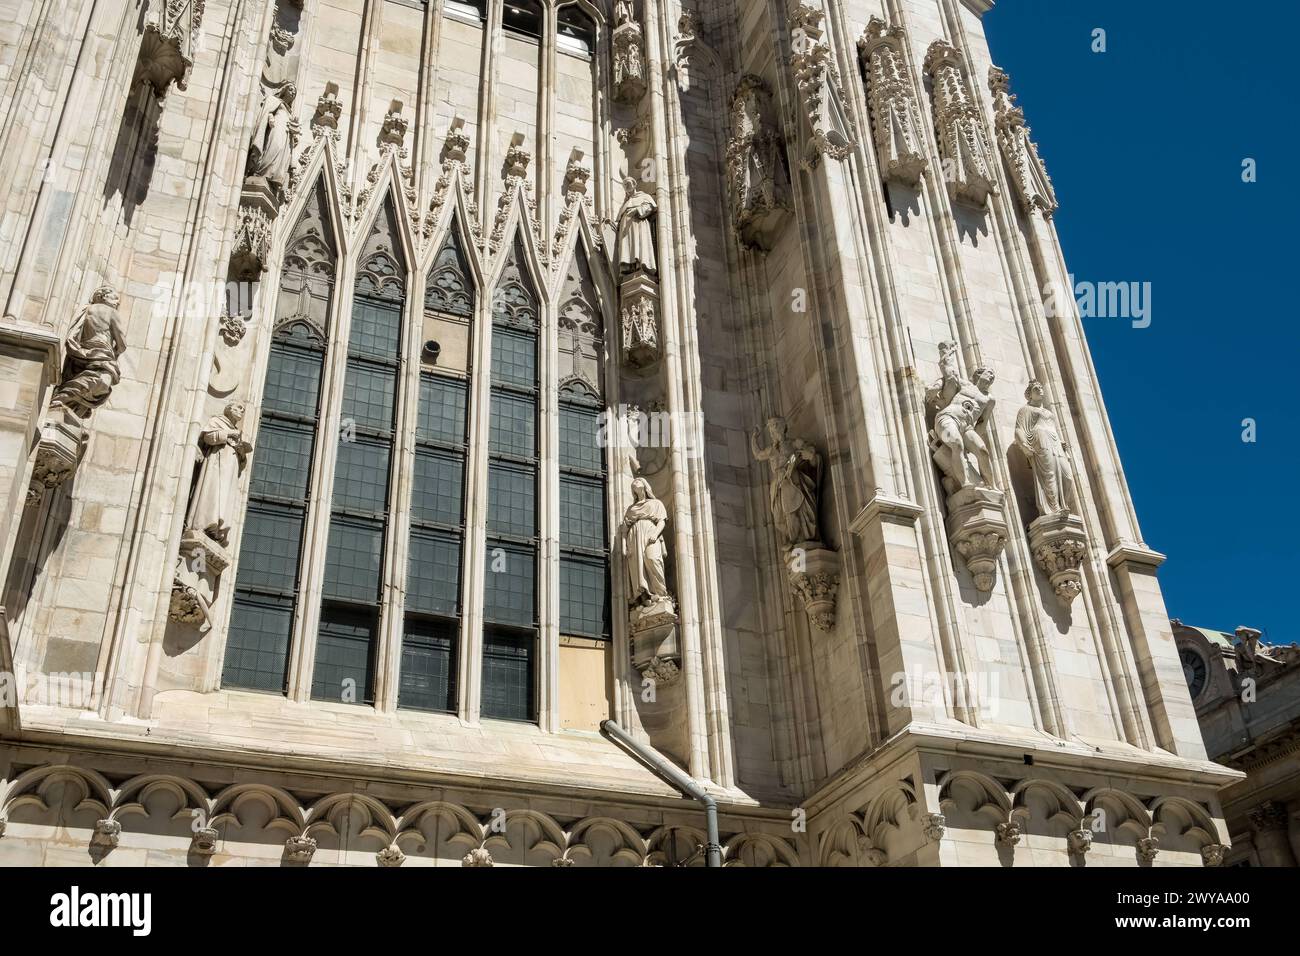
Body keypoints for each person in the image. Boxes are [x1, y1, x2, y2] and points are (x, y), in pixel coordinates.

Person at [929, 342, 995, 493]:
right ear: (979, 374)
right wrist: (947, 352)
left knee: (983, 451)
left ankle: (991, 486)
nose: (991, 376)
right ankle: (964, 483)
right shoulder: (965, 385)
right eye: (989, 373)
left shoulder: (990, 400)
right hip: (947, 419)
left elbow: (982, 423)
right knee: (957, 444)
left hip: (967, 427)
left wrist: (973, 443)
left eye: (993, 376)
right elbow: (950, 374)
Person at [185, 401, 253, 547]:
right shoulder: (217, 421)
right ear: (229, 409)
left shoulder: (236, 431)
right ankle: (205, 524)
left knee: (225, 498)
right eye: (239, 408)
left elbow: (242, 463)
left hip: (230, 468)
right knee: (213, 493)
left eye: (243, 409)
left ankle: (219, 531)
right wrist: (228, 433)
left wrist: (241, 450)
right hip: (216, 465)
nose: (241, 411)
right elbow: (208, 437)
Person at [751, 417, 822, 548]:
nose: (772, 431)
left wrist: (809, 455)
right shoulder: (771, 450)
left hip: (791, 481)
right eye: (771, 428)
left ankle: (798, 538)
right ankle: (792, 537)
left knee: (791, 509)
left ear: (783, 427)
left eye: (775, 426)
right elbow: (758, 455)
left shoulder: (794, 443)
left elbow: (810, 453)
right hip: (777, 485)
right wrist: (754, 439)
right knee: (778, 518)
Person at [1014, 380, 1073, 515]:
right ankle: (1054, 509)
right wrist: (1024, 445)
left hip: (1055, 443)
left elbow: (1053, 428)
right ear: (1029, 394)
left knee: (1067, 477)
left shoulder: (1048, 412)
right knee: (1049, 475)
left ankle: (1063, 504)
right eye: (1036, 388)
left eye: (1041, 387)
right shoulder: (1026, 409)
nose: (1040, 389)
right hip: (1040, 442)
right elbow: (1019, 430)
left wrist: (1061, 441)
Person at [621, 477, 668, 607]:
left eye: (637, 481)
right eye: (633, 483)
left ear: (644, 485)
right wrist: (624, 546)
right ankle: (644, 595)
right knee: (638, 565)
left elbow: (662, 521)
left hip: (650, 533)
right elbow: (624, 530)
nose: (634, 483)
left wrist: (655, 533)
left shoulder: (656, 504)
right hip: (634, 538)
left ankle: (660, 593)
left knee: (652, 558)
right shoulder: (631, 509)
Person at [616, 177, 657, 276]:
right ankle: (628, 266)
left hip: (638, 224)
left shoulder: (644, 196)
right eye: (625, 185)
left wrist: (636, 210)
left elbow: (650, 207)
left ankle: (638, 264)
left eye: (629, 184)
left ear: (634, 185)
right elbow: (619, 218)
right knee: (627, 247)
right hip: (626, 229)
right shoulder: (626, 203)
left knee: (638, 244)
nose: (627, 186)